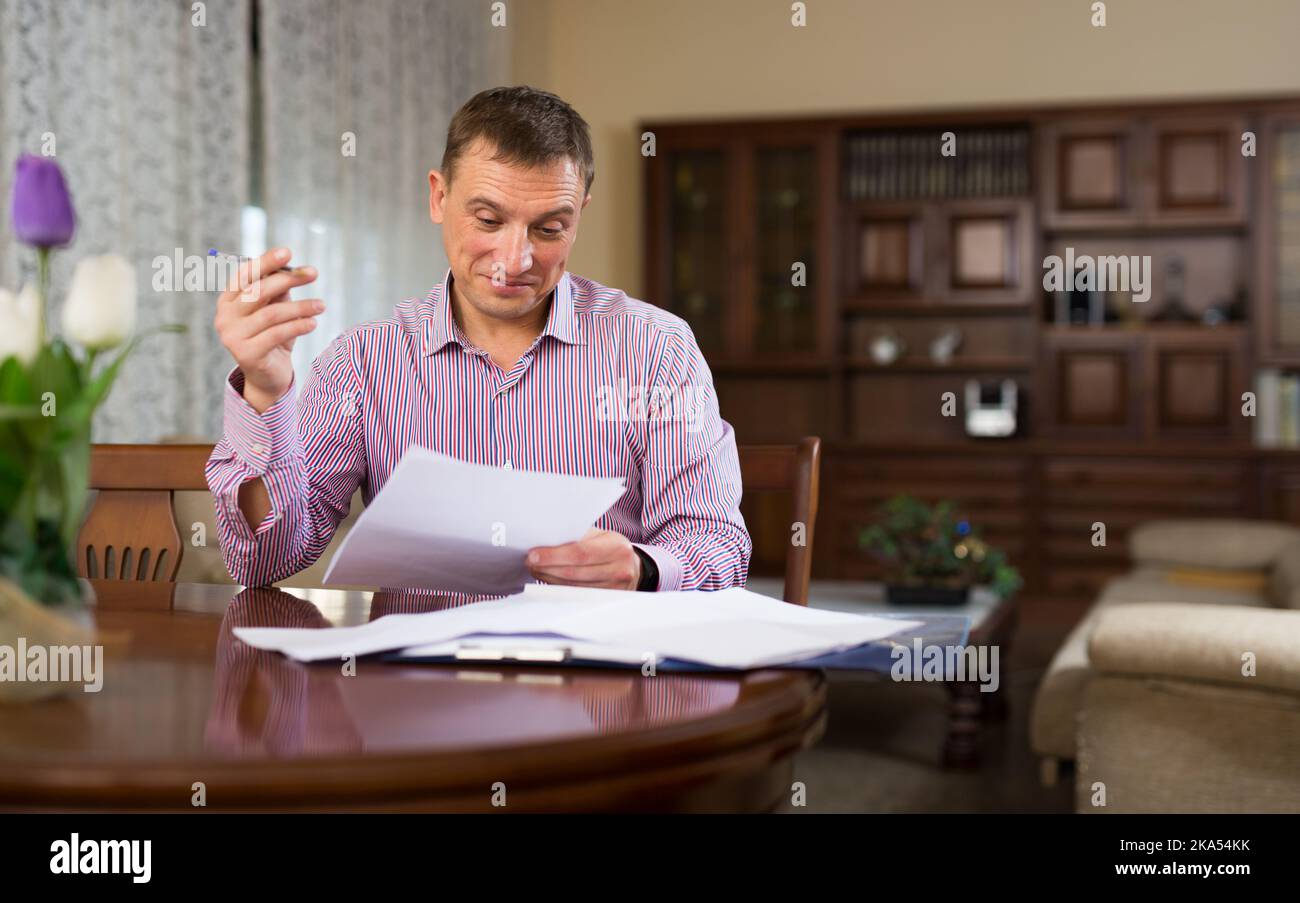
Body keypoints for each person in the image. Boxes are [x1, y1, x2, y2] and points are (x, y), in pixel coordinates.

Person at [205, 85, 750, 594]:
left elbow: (719, 546)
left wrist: (645, 568)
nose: (516, 261)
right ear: (439, 197)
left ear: (579, 213)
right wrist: (266, 392)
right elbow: (263, 563)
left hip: (597, 677)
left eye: (549, 229)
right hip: (417, 680)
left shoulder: (655, 348)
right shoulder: (364, 362)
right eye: (488, 219)